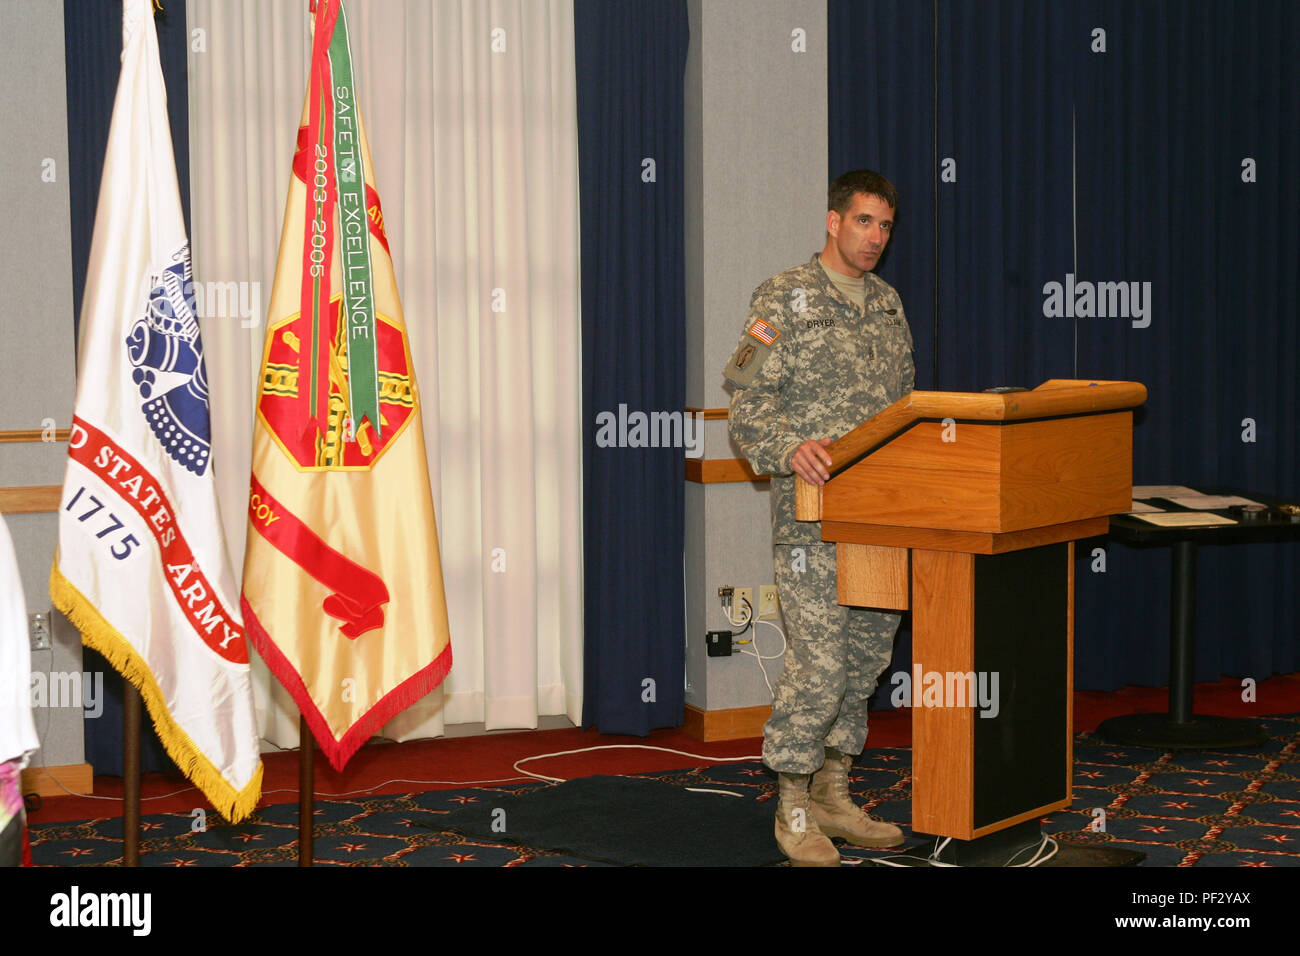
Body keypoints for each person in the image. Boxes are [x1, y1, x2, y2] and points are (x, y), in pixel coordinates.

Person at [723, 169, 915, 866]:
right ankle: (793, 804)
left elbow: (905, 411)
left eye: (886, 226)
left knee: (865, 660)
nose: (875, 238)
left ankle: (835, 793)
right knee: (820, 665)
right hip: (812, 521)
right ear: (833, 222)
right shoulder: (784, 297)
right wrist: (789, 446)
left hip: (883, 516)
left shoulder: (890, 306)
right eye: (863, 221)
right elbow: (747, 404)